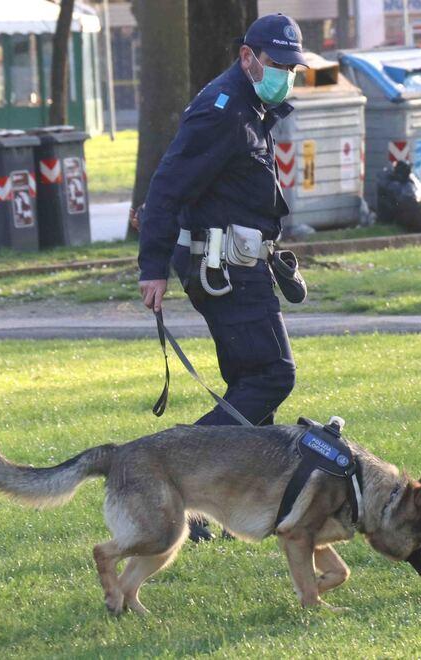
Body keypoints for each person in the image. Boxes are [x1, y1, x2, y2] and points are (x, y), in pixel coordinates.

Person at [137, 14, 307, 540]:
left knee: (248, 387)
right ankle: (179, 481)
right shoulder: (223, 110)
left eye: (290, 68)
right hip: (223, 269)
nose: (284, 75)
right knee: (272, 375)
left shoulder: (251, 106)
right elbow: (166, 188)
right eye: (276, 65)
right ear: (248, 57)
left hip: (238, 263)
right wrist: (153, 267)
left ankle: (237, 502)